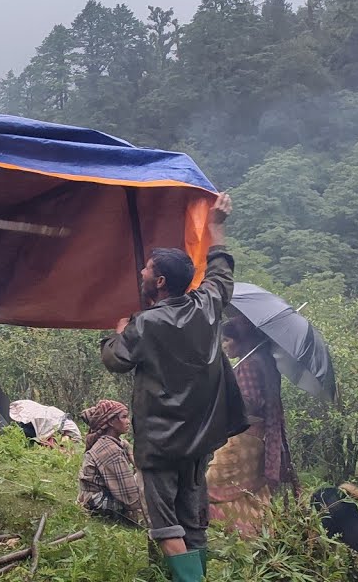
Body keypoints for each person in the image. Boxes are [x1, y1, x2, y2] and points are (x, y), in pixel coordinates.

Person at [100, 193, 247, 582]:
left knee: (166, 528)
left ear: (160, 282)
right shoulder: (208, 305)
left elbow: (116, 360)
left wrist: (117, 333)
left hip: (161, 446)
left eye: (147, 270)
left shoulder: (145, 325)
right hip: (199, 443)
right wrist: (216, 225)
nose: (142, 273)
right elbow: (221, 271)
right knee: (193, 524)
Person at [207, 316, 297, 537]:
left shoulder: (248, 365)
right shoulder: (265, 362)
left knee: (210, 485)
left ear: (242, 340)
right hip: (259, 440)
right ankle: (256, 537)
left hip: (243, 440)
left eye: (228, 340)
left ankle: (236, 535)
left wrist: (224, 394)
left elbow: (249, 403)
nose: (225, 345)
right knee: (252, 493)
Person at [76, 399, 143, 527]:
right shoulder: (110, 450)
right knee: (146, 480)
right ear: (111, 422)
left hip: (90, 499)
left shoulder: (109, 442)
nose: (128, 421)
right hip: (98, 504)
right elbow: (130, 495)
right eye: (124, 417)